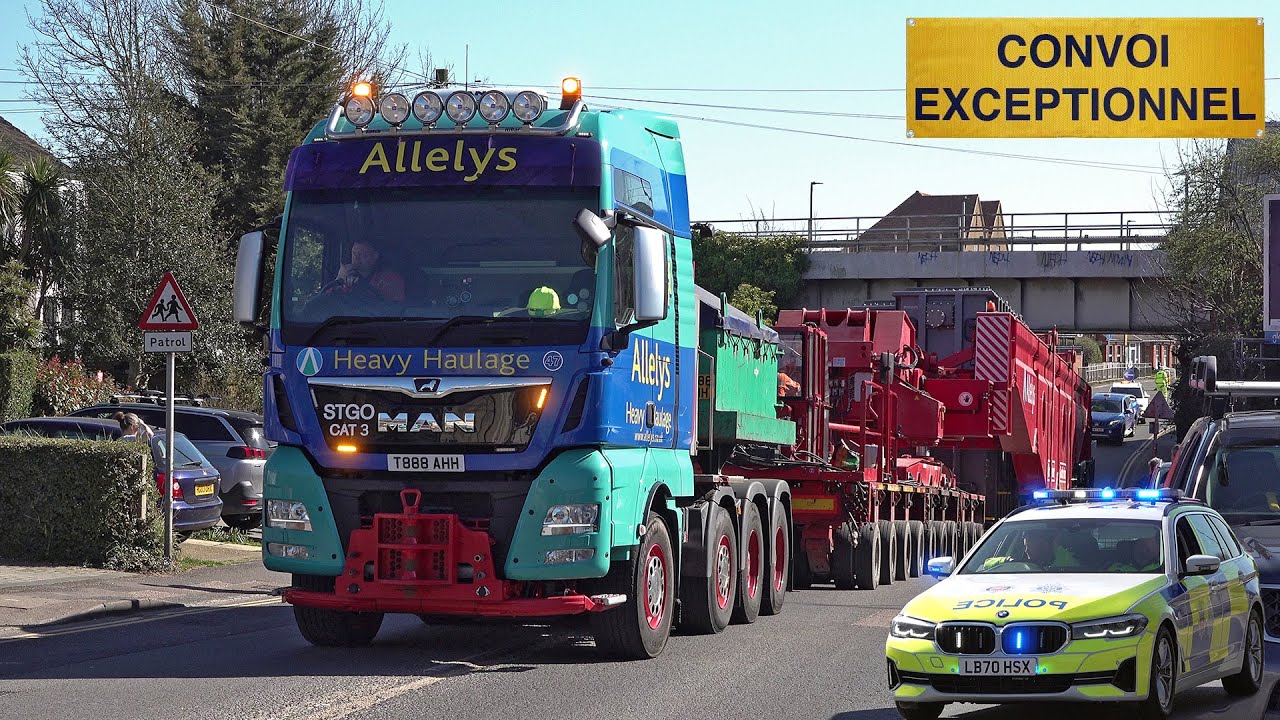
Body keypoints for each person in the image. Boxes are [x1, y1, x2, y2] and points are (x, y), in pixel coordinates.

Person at [325, 238, 405, 303]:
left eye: (362, 254)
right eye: (354, 253)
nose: (356, 258)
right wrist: (339, 280)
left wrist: (360, 286)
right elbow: (328, 302)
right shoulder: (347, 277)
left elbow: (391, 309)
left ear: (375, 256)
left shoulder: (390, 279)